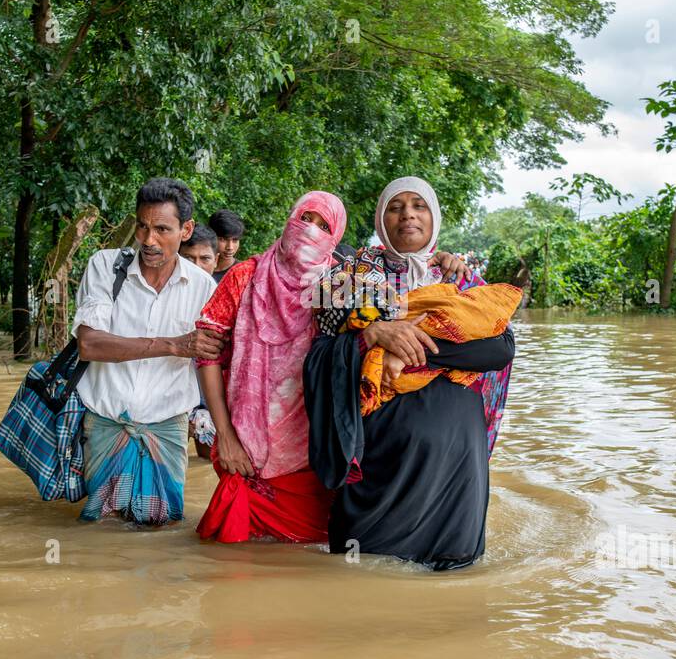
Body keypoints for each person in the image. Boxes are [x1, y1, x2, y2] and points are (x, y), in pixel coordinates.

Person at [304, 176, 517, 570]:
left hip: (457, 459)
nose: (408, 215)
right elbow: (318, 354)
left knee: (453, 584)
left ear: (434, 216)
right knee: (363, 568)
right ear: (381, 219)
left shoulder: (462, 280)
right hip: (380, 453)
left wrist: (416, 347)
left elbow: (499, 348)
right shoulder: (350, 274)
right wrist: (370, 334)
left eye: (418, 205)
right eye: (395, 207)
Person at [194, 192, 348, 543]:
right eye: (306, 218)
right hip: (244, 453)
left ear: (335, 238)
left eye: (324, 226)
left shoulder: (337, 288)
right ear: (290, 217)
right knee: (231, 567)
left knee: (308, 564)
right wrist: (227, 437)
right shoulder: (243, 277)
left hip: (312, 457)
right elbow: (208, 356)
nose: (311, 231)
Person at [72, 178, 222, 525]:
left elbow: (211, 361)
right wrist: (173, 344)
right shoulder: (105, 266)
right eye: (142, 226)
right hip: (106, 422)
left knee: (163, 527)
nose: (148, 240)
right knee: (100, 528)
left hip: (168, 428)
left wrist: (224, 434)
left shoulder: (202, 287)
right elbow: (89, 344)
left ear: (186, 230)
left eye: (161, 229)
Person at [208, 209, 245, 283]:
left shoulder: (242, 272)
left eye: (235, 240)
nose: (230, 247)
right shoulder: (199, 265)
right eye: (223, 240)